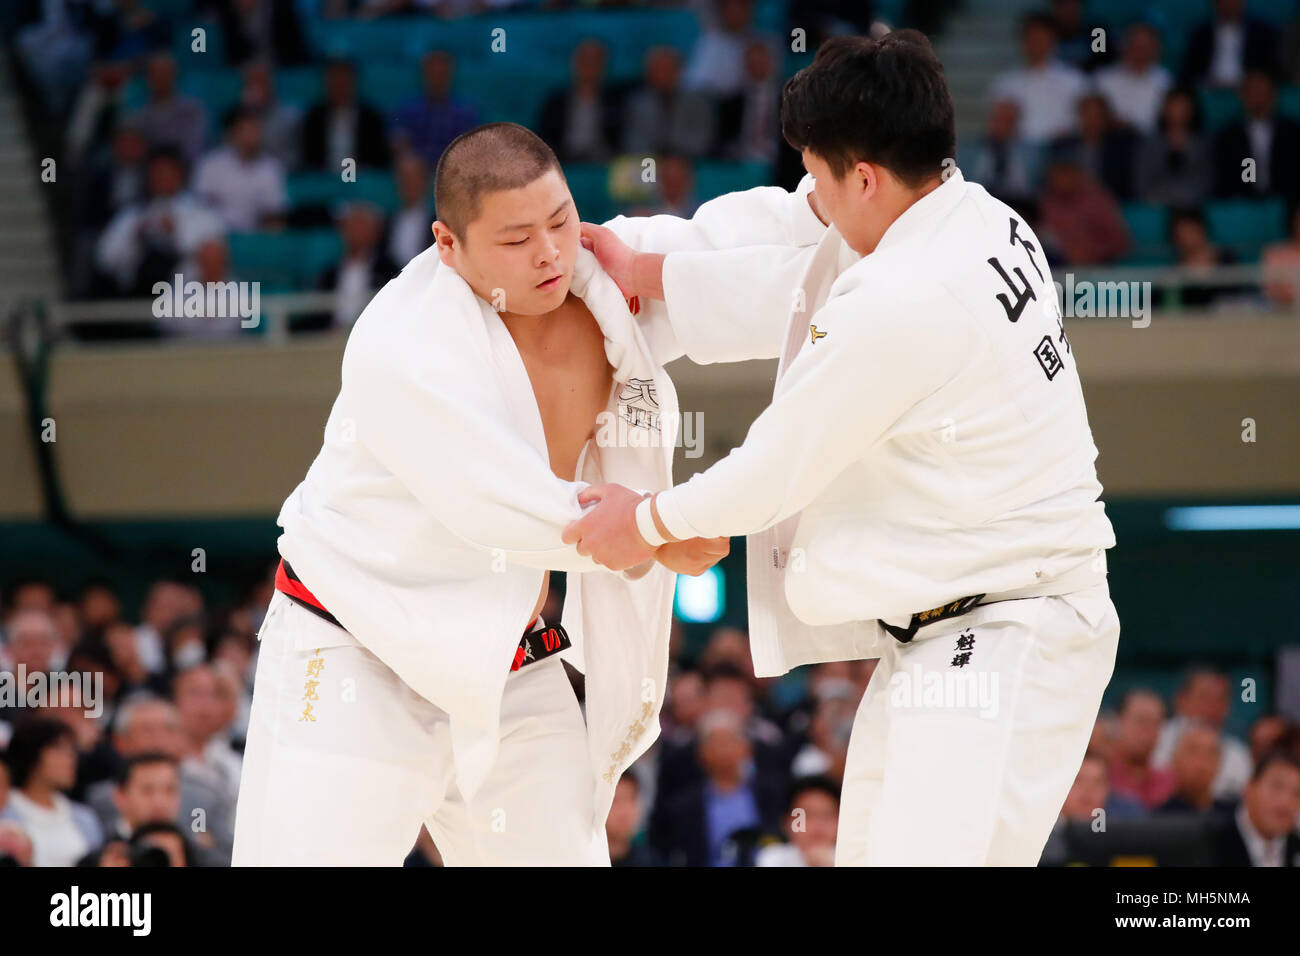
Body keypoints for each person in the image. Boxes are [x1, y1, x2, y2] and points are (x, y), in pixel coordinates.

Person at [569, 32, 1121, 866]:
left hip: (1009, 630)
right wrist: (656, 270)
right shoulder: (971, 213)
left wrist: (643, 520)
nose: (812, 199)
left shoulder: (910, 296)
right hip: (950, 626)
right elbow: (807, 269)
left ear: (865, 176)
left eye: (819, 177)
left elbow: (773, 467)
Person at [231, 122, 727, 866]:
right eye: (517, 238)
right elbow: (493, 504)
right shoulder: (400, 344)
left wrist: (831, 208)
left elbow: (738, 248)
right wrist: (654, 528)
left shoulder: (607, 278)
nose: (550, 253)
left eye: (560, 220)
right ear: (448, 244)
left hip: (510, 659)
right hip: (353, 647)